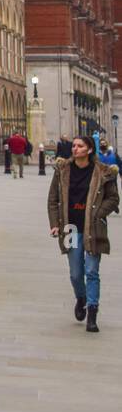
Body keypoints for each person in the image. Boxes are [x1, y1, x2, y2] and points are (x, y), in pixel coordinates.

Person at [48, 136, 120, 332]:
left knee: (91, 271)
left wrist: (97, 212)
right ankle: (81, 297)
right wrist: (55, 224)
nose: (75, 149)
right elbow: (53, 199)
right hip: (70, 228)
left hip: (92, 228)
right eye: (74, 145)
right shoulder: (62, 170)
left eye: (80, 146)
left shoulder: (103, 172)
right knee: (76, 273)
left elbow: (113, 199)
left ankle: (92, 313)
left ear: (89, 150)